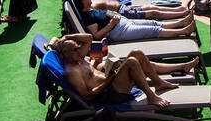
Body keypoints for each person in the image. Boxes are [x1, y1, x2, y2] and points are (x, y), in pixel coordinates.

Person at [49, 33, 195, 108]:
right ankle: (151, 96)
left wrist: (67, 37)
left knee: (136, 52)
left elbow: (88, 38)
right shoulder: (71, 71)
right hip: (110, 93)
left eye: (77, 47)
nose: (79, 49)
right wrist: (107, 81)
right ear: (65, 54)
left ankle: (158, 82)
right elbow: (87, 96)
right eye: (75, 49)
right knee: (131, 62)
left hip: (110, 80)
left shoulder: (78, 58)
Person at [69, 0, 195, 41]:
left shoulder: (90, 10)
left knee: (154, 23)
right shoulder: (87, 17)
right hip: (119, 31)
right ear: (81, 1)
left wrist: (112, 15)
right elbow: (96, 36)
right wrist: (111, 24)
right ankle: (183, 31)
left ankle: (181, 23)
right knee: (153, 30)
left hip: (123, 22)